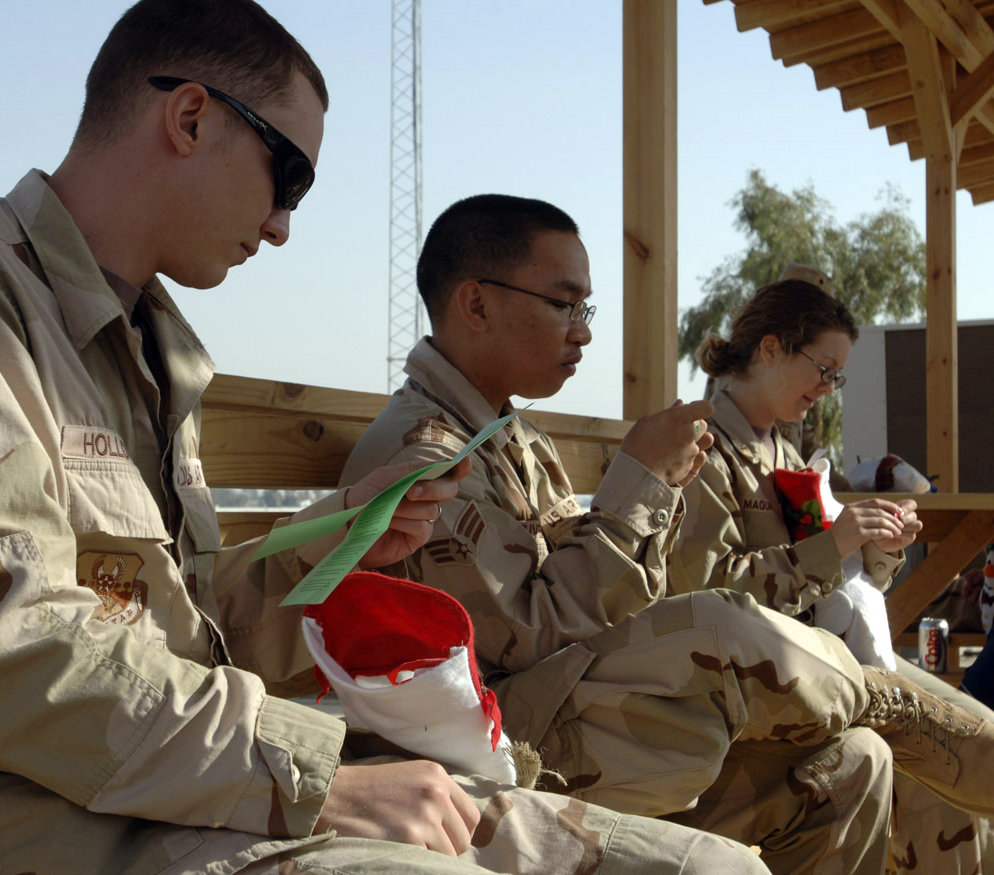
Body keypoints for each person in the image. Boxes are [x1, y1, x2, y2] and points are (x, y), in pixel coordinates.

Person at [0, 3, 779, 873]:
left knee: (710, 866)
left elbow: (175, 630)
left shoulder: (140, 347)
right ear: (190, 117)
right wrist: (311, 774)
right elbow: (7, 654)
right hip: (10, 822)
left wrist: (338, 534)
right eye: (289, 175)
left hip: (175, 787)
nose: (281, 227)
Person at [341, 193, 994, 875]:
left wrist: (867, 553)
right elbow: (539, 632)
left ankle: (891, 707)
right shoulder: (426, 457)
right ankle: (887, 700)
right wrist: (640, 485)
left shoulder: (514, 439)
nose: (583, 331)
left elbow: (611, 600)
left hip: (603, 712)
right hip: (509, 746)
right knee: (724, 625)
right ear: (476, 305)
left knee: (854, 765)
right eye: (565, 305)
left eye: (585, 310)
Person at [670, 274, 994, 874]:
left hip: (820, 672)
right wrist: (835, 544)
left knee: (951, 766)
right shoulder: (699, 449)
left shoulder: (784, 454)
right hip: (765, 689)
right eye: (823, 368)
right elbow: (702, 598)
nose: (828, 387)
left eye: (837, 375)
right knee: (960, 753)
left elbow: (832, 583)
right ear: (770, 349)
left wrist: (877, 550)